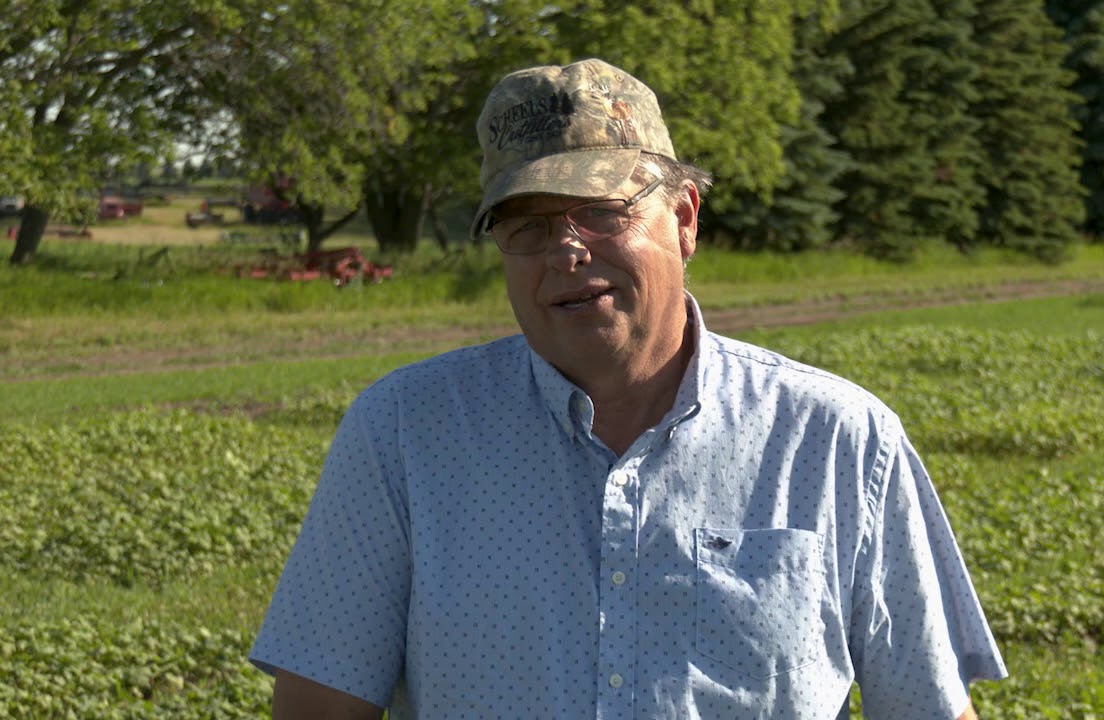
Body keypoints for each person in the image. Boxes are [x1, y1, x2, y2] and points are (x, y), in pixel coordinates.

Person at [250, 58, 1007, 720]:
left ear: (683, 218)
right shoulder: (406, 433)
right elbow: (319, 709)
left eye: (602, 211)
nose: (566, 251)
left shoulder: (839, 440)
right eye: (527, 226)